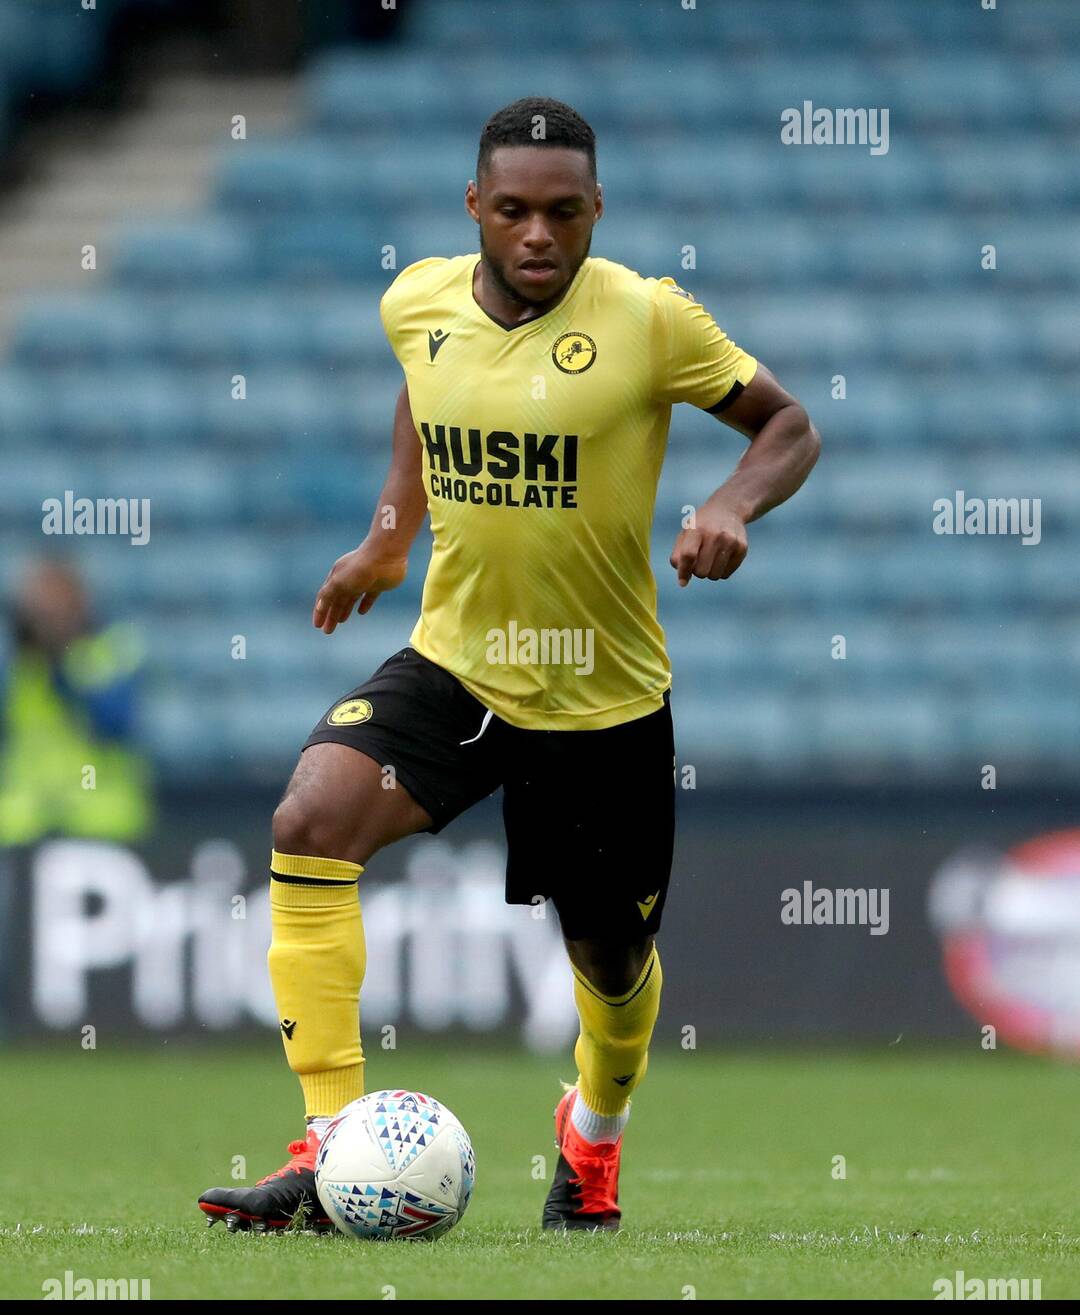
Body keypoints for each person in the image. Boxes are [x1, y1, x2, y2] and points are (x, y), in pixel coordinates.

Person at [198, 96, 820, 1235]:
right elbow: (426, 399)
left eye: (566, 214)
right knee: (309, 816)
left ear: (598, 211)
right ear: (475, 208)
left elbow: (788, 425)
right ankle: (329, 1143)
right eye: (517, 212)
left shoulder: (649, 319)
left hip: (601, 700)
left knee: (615, 964)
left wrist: (732, 502)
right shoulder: (418, 300)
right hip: (459, 671)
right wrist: (391, 535)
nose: (541, 237)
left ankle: (592, 1137)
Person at [0, 559, 152, 847]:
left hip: (102, 820)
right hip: (25, 825)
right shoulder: (18, 664)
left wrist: (63, 663)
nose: (47, 618)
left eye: (55, 608)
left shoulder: (112, 649)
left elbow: (113, 723)